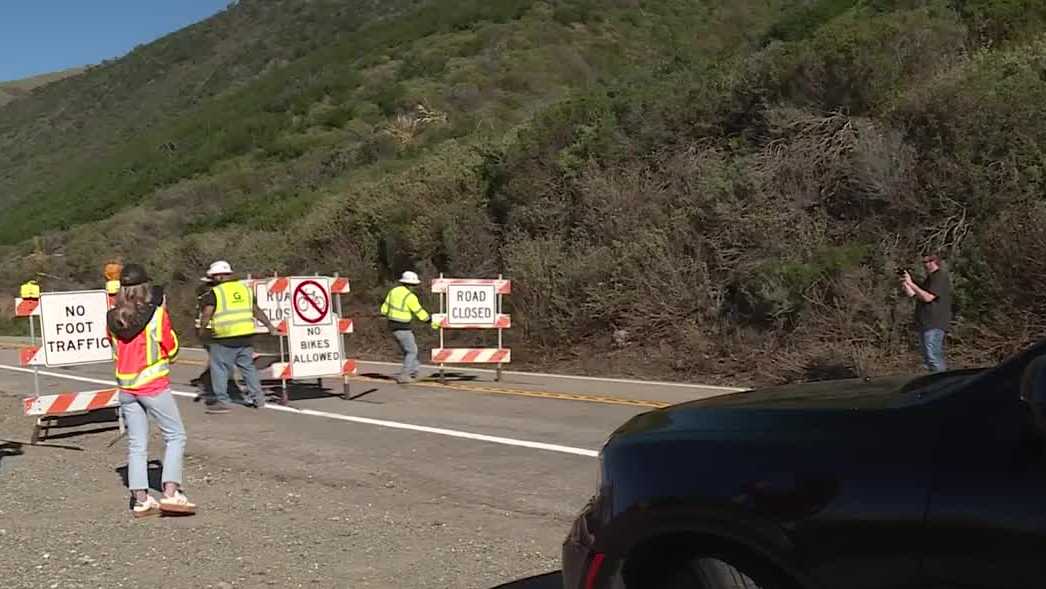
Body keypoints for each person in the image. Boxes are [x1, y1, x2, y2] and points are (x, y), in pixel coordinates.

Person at [106, 263, 195, 518]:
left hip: (126, 387)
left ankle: (141, 500)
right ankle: (170, 493)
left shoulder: (111, 318)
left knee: (137, 445)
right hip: (153, 385)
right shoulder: (156, 315)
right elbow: (172, 348)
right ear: (146, 288)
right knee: (175, 435)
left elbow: (114, 347)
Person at [196, 260, 278, 412]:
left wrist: (202, 330)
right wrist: (269, 326)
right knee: (248, 368)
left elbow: (207, 314)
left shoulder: (216, 292)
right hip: (246, 336)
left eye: (213, 277)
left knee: (220, 368)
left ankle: (222, 401)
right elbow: (256, 310)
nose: (212, 281)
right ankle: (258, 399)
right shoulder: (244, 289)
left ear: (219, 276)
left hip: (224, 337)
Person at [901, 253, 952, 372]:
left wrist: (912, 284)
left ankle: (941, 383)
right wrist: (906, 284)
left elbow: (928, 297)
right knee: (928, 358)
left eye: (927, 261)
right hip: (925, 323)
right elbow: (914, 295)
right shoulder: (929, 279)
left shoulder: (939, 277)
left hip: (934, 322)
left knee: (933, 356)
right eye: (923, 262)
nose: (925, 265)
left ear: (934, 261)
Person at [380, 270, 431, 383]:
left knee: (408, 350)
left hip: (392, 326)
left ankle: (415, 371)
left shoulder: (393, 291)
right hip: (403, 327)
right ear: (412, 285)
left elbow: (384, 309)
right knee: (412, 351)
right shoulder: (410, 296)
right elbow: (420, 312)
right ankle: (404, 375)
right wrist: (429, 320)